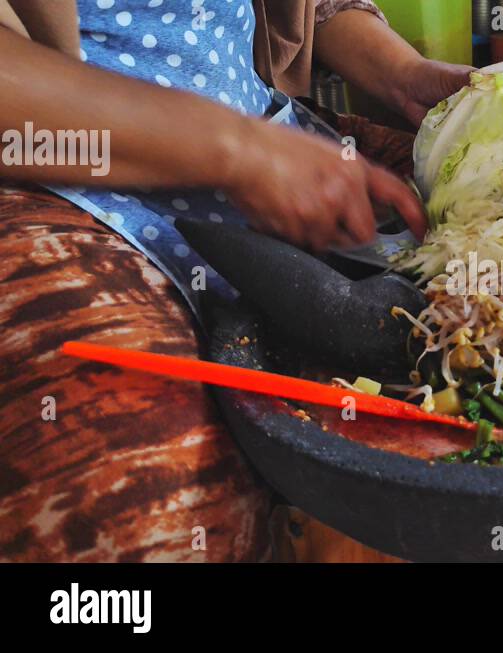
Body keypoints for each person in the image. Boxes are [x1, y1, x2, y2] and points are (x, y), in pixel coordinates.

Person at [0, 0, 472, 561]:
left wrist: (402, 74)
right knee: (146, 501)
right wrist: (236, 152)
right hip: (61, 166)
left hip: (266, 131)